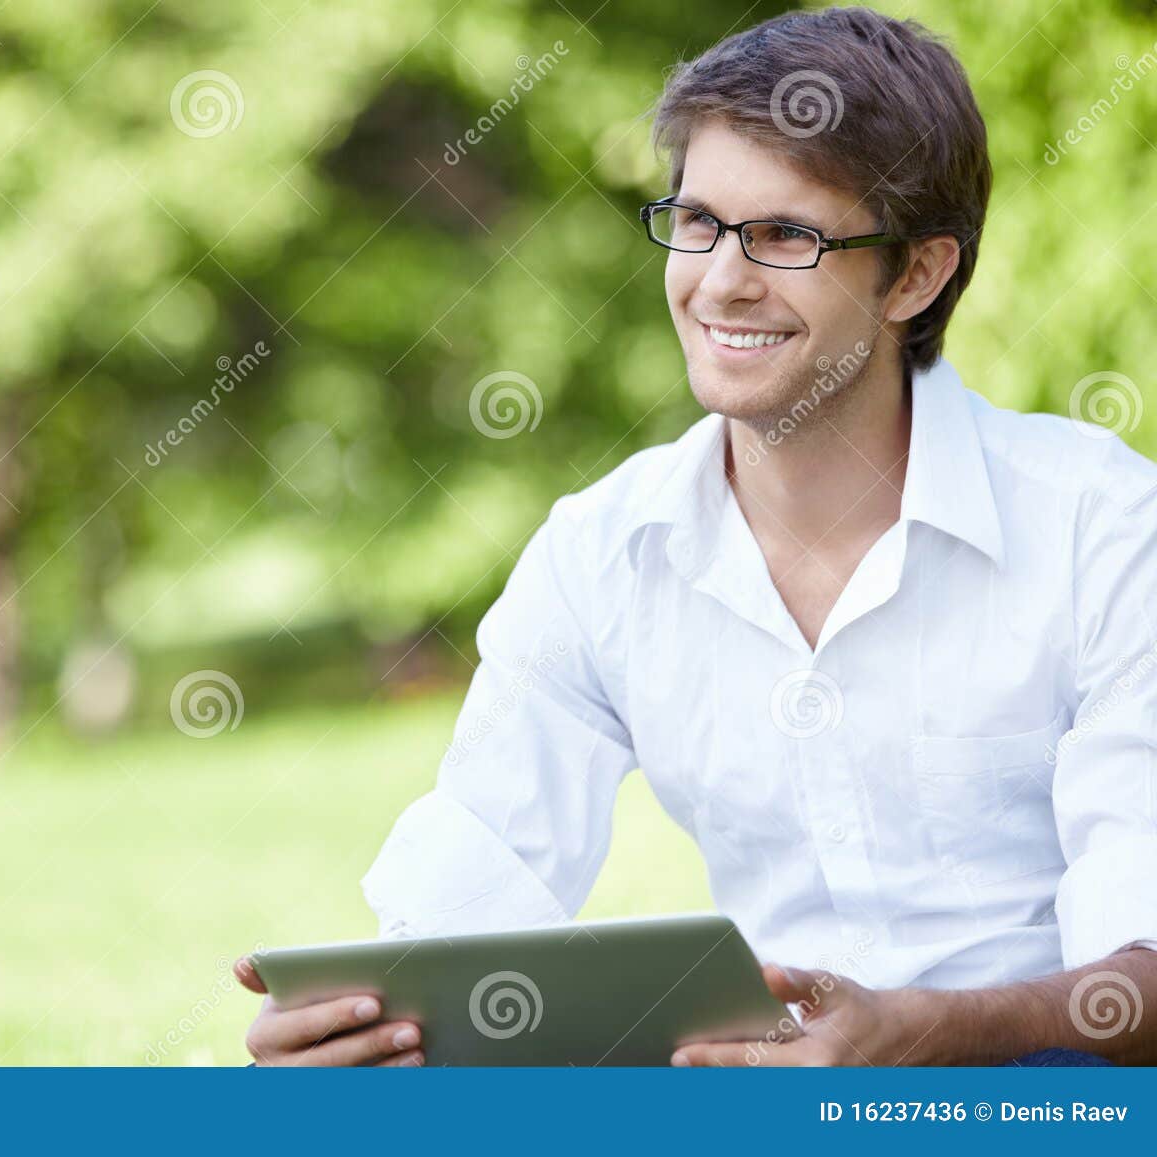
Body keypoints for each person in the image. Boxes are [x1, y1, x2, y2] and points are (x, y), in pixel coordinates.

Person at [236, 5, 1157, 1067]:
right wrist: (367, 1018)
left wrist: (919, 1031)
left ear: (915, 275)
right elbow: (479, 866)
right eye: (697, 221)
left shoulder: (1103, 526)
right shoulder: (600, 553)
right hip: (757, 1091)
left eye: (783, 235)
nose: (718, 279)